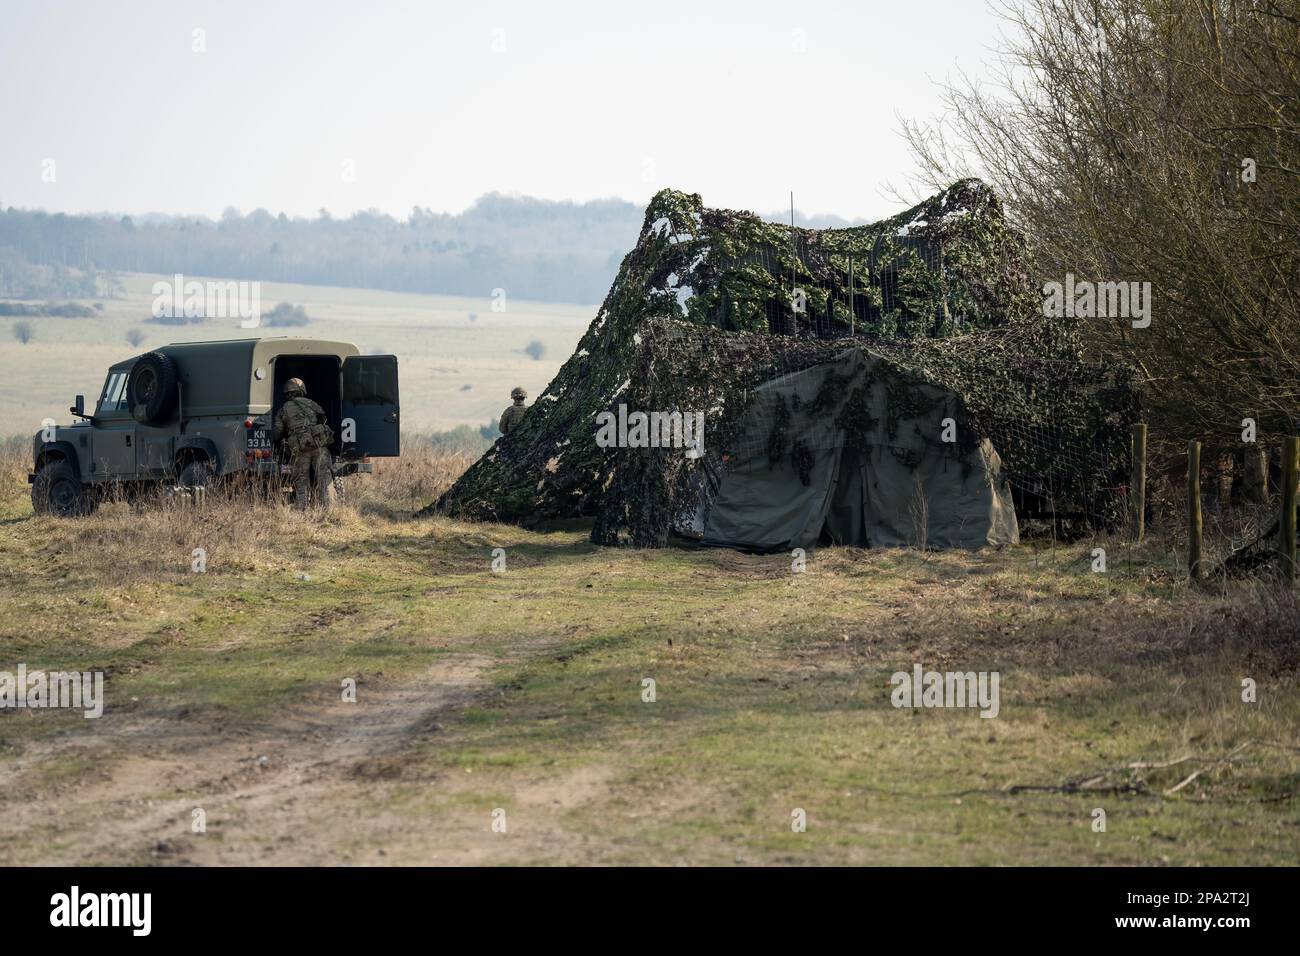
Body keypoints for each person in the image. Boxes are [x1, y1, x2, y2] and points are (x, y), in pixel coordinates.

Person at [274, 377, 334, 511]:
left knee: (301, 481)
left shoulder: (284, 408)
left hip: (300, 448)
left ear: (287, 392)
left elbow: (277, 432)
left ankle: (302, 510)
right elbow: (323, 418)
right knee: (324, 478)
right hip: (319, 445)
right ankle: (328, 510)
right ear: (302, 390)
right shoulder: (311, 403)